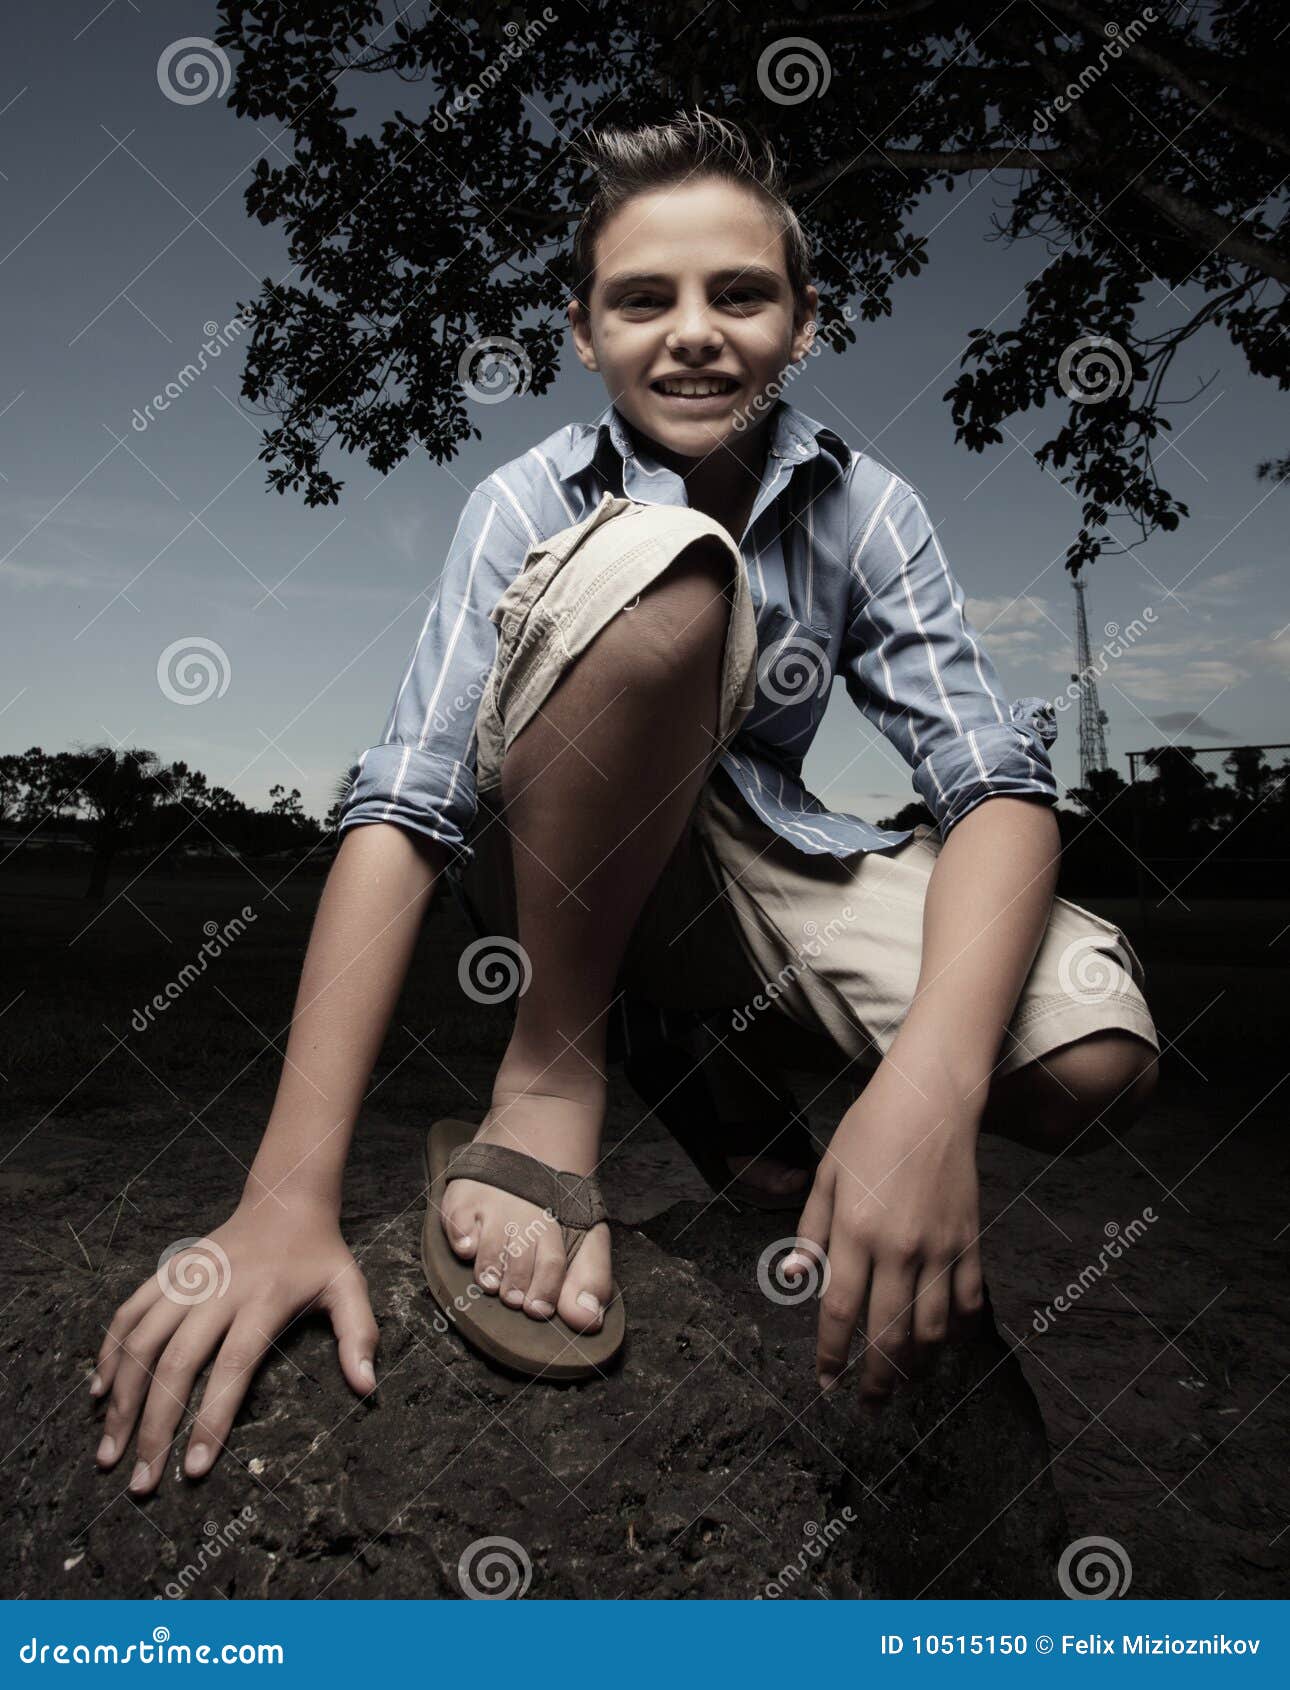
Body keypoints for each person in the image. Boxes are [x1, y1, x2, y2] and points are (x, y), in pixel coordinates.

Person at [89, 108, 1159, 1489]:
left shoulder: (870, 507)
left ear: (805, 321)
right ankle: (553, 1071)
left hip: (740, 858)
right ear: (584, 333)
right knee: (668, 566)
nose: (694, 332)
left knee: (1090, 1053)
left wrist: (927, 1089)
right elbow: (403, 811)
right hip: (543, 864)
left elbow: (992, 783)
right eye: (642, 299)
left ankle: (700, 1042)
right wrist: (283, 1192)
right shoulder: (519, 499)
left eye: (741, 294)